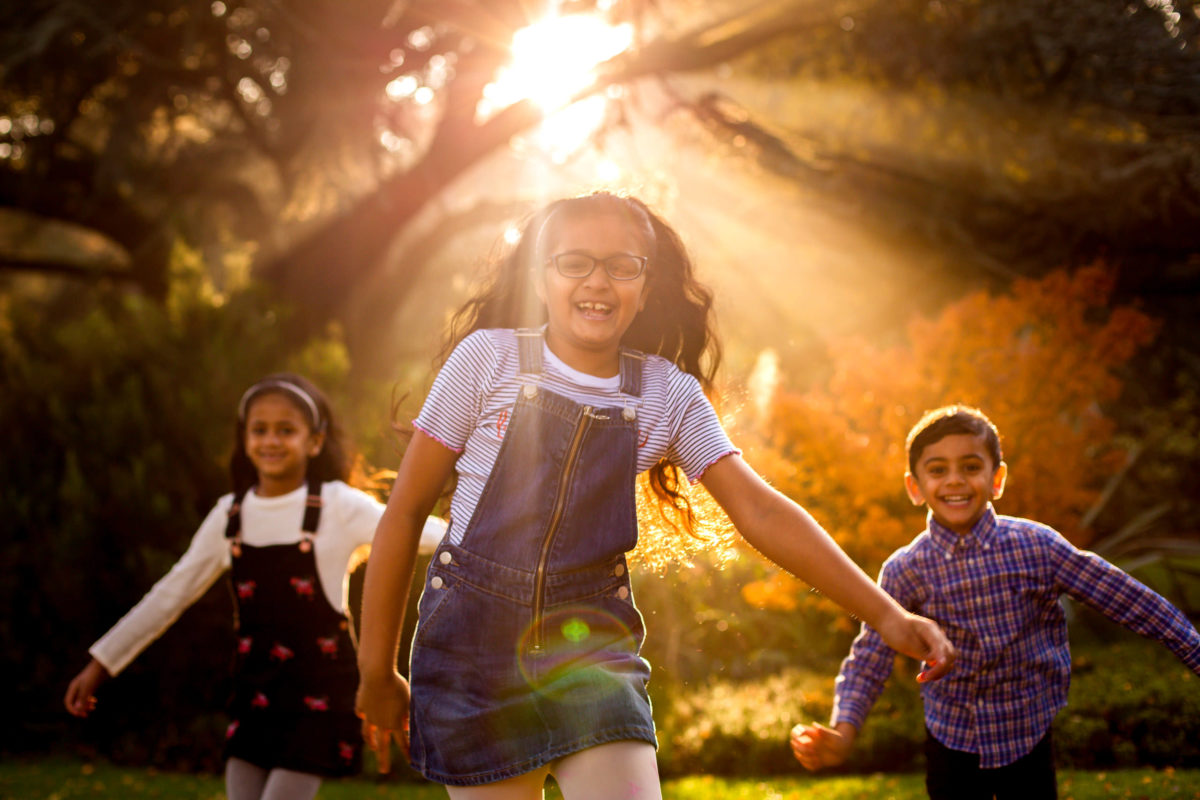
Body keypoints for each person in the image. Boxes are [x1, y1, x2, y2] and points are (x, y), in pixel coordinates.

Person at [354, 191, 957, 800]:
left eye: (623, 265)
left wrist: (886, 614)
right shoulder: (487, 360)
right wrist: (377, 673)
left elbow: (761, 509)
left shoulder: (666, 394)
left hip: (590, 645)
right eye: (574, 262)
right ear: (541, 275)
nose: (598, 281)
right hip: (472, 651)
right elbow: (403, 514)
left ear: (646, 286)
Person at [64, 373, 447, 800]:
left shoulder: (337, 504)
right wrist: (100, 664)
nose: (271, 441)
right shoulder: (230, 516)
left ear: (315, 441)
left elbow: (424, 531)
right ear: (244, 439)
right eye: (259, 430)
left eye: (286, 430)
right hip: (256, 692)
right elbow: (169, 596)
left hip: (319, 695)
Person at [790, 404, 1200, 799]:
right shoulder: (905, 569)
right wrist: (844, 730)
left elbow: (1121, 595)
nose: (954, 481)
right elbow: (870, 656)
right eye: (937, 470)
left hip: (1027, 733)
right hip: (951, 739)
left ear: (997, 479)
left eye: (970, 467)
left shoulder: (1036, 547)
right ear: (915, 487)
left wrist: (1192, 648)